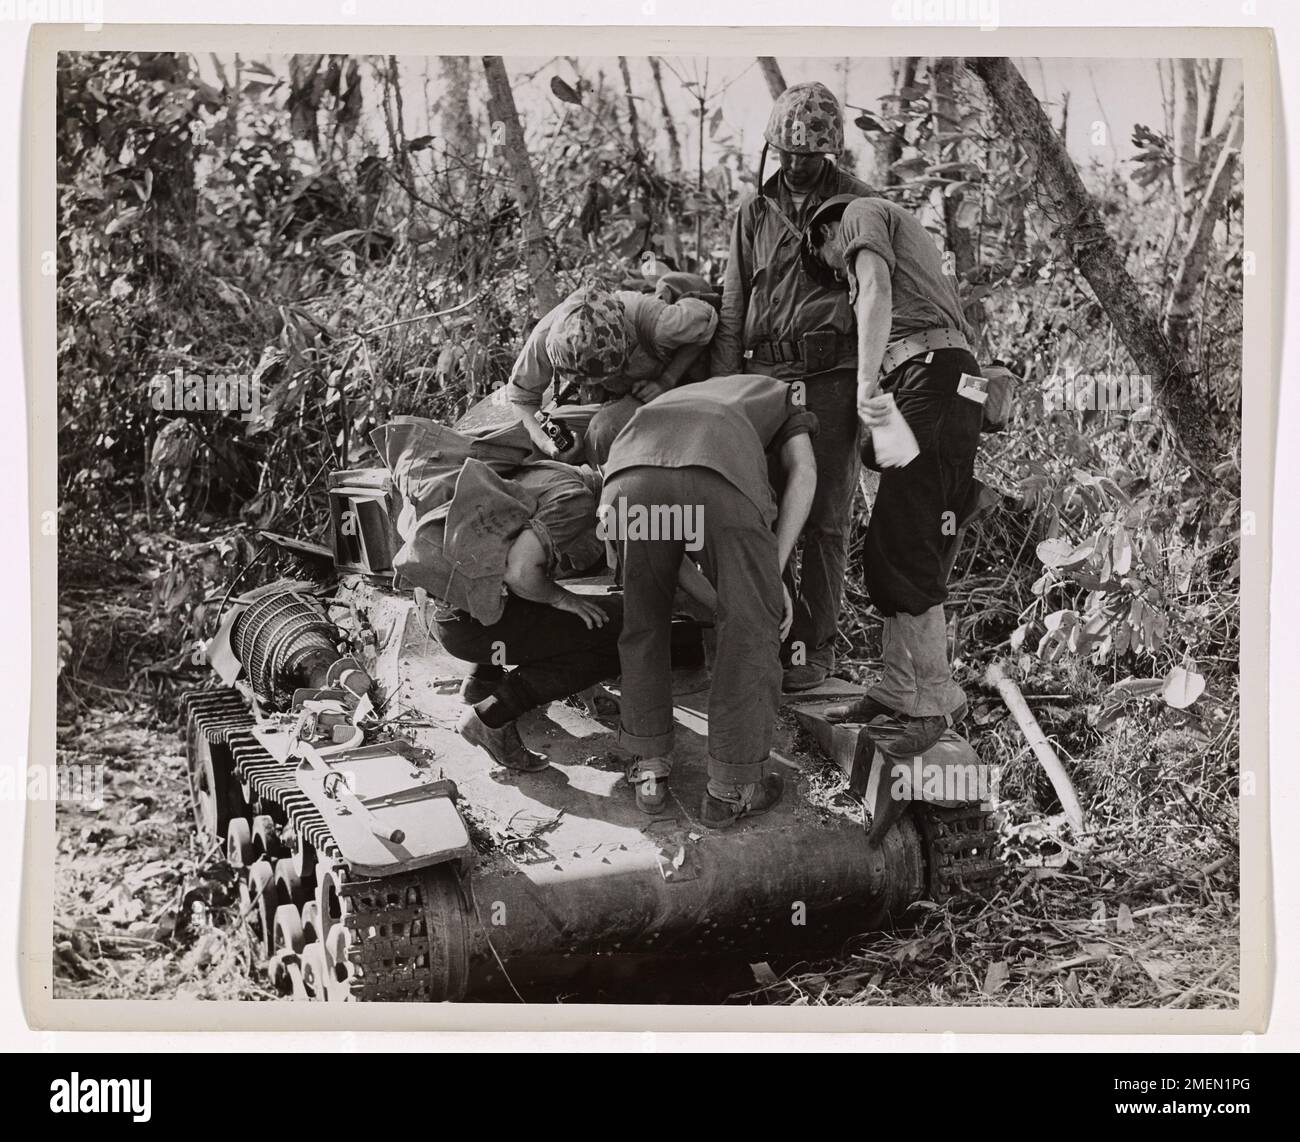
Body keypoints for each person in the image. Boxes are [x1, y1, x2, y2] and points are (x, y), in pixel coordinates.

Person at [802, 193, 985, 757]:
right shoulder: (914, 245)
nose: (841, 271)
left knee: (902, 545)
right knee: (900, 539)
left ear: (828, 232)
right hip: (951, 378)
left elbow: (875, 288)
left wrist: (864, 385)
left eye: (835, 262)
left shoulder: (858, 214)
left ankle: (934, 701)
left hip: (927, 372)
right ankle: (896, 688)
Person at [711, 81, 874, 693]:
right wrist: (724, 394)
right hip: (762, 379)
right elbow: (732, 305)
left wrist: (871, 384)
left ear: (831, 152)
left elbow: (882, 297)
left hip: (831, 378)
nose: (797, 164)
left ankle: (811, 653)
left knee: (826, 520)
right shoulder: (752, 213)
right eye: (787, 152)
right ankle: (755, 638)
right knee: (756, 512)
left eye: (810, 154)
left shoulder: (861, 207)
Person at [600, 374, 818, 825]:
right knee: (751, 628)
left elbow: (672, 555)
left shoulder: (682, 397)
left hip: (631, 478)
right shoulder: (779, 394)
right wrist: (767, 575)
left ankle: (649, 769)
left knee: (645, 619)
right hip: (719, 473)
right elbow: (805, 473)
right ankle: (732, 789)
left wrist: (729, 594)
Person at [374, 414, 620, 772]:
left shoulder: (550, 471)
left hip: (443, 612)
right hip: (473, 628)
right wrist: (563, 599)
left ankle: (481, 681)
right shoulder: (579, 500)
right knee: (619, 628)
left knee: (546, 599)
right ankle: (492, 718)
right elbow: (521, 573)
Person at [508, 281, 717, 466]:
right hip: (610, 400)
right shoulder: (548, 336)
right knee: (549, 428)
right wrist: (548, 445)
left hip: (672, 390)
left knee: (603, 431)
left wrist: (667, 380)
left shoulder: (660, 324)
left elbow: (707, 320)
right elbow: (522, 399)